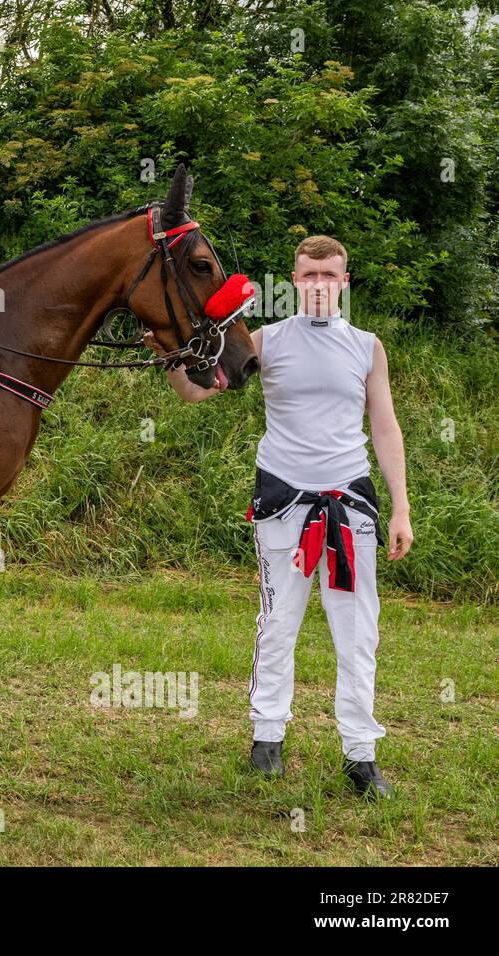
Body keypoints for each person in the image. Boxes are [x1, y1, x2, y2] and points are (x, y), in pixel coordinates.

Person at [158, 235, 413, 799]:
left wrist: (401, 506)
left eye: (330, 276)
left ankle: (360, 754)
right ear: (294, 281)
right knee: (278, 622)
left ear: (344, 283)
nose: (319, 284)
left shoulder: (368, 348)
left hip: (351, 503)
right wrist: (169, 352)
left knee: (357, 630)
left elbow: (385, 427)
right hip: (283, 503)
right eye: (309, 275)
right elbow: (197, 394)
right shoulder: (266, 342)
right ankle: (267, 738)